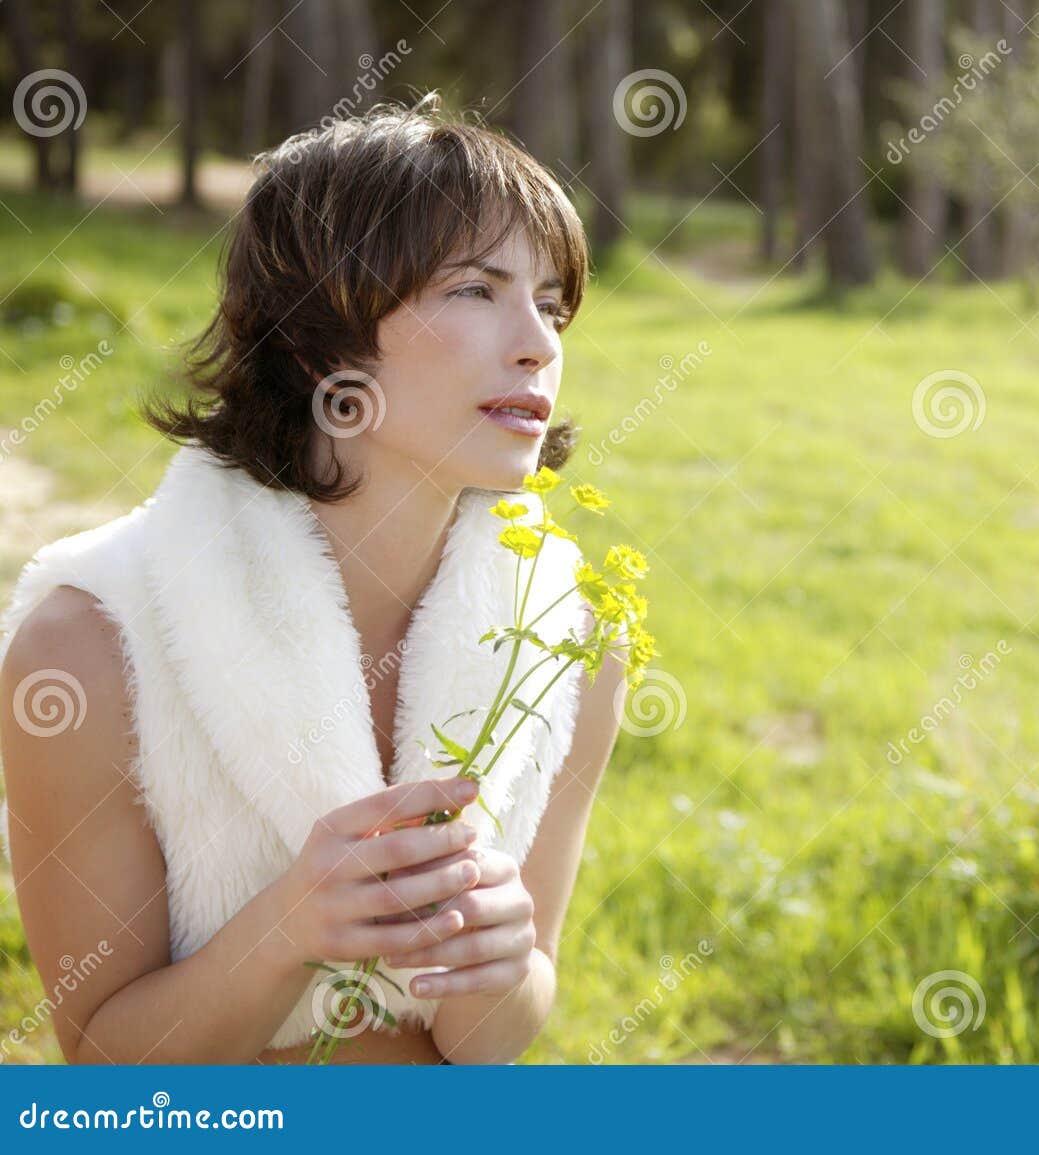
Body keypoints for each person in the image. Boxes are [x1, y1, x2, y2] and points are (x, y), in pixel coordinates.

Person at [0, 96, 626, 1064]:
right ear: (315, 341)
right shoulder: (85, 649)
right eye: (474, 289)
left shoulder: (571, 636)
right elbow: (104, 1069)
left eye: (551, 304)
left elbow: (492, 1041)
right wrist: (293, 925)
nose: (539, 344)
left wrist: (504, 969)